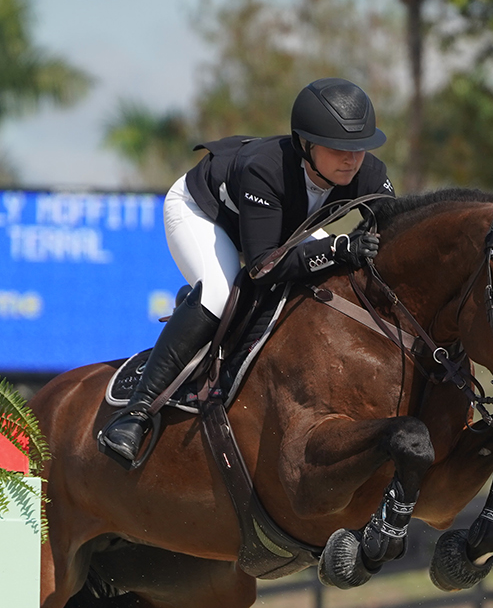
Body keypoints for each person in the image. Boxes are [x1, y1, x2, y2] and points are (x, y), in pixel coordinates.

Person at [98, 77, 396, 466]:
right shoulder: (265, 170)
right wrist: (338, 247)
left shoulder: (368, 173)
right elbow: (261, 268)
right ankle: (134, 414)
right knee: (218, 296)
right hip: (205, 213)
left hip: (283, 226)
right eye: (339, 148)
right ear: (306, 145)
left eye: (359, 148)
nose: (351, 159)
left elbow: (395, 231)